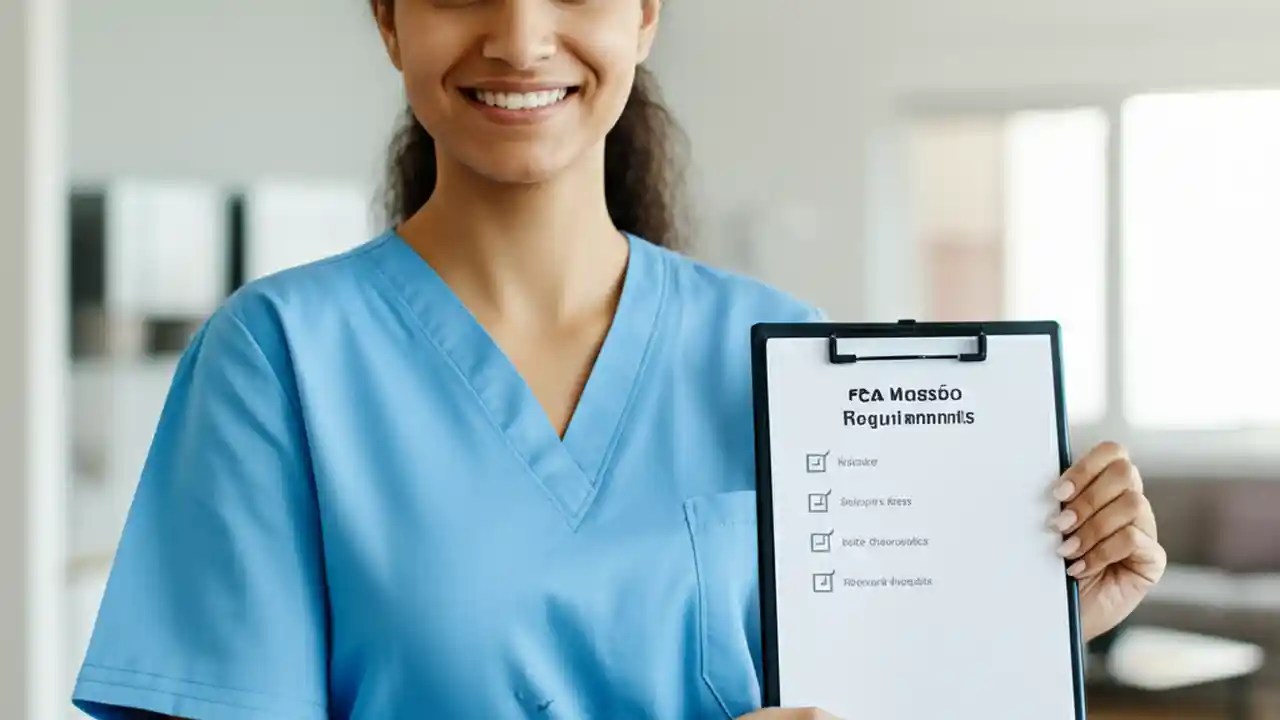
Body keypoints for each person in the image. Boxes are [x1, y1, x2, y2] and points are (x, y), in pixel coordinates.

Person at [71, 0, 1167, 718]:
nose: (518, 35)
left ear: (644, 16)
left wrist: (1022, 615)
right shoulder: (278, 364)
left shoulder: (788, 354)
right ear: (387, 20)